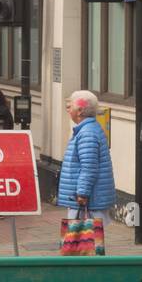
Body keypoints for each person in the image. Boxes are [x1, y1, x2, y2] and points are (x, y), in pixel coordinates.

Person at [57, 90, 116, 254]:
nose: (68, 109)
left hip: (87, 200)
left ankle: (87, 271)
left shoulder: (87, 133)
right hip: (89, 197)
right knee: (89, 242)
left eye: (71, 106)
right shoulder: (88, 130)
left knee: (85, 244)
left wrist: (82, 193)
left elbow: (89, 166)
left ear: (81, 110)